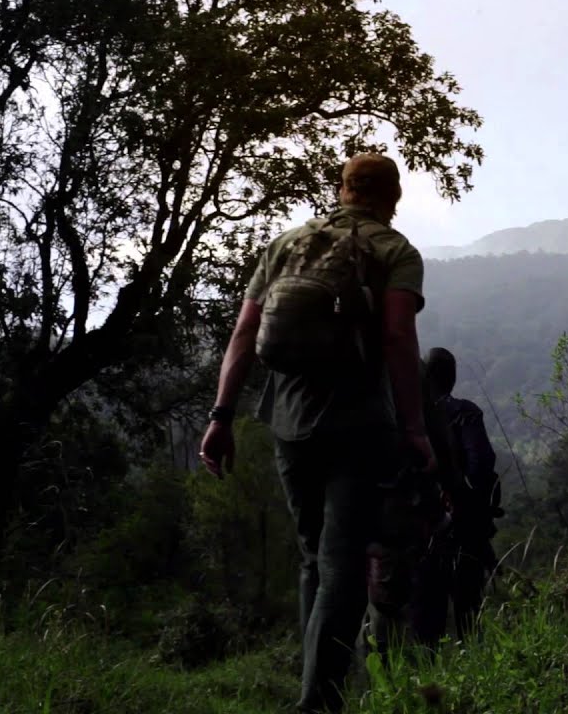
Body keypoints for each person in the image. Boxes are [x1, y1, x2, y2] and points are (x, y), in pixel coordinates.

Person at [198, 152, 436, 714]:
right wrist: (416, 428)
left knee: (314, 558)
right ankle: (319, 701)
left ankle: (315, 686)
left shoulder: (288, 243)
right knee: (343, 563)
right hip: (357, 422)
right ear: (393, 197)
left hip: (288, 420)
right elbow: (398, 339)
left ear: (342, 189)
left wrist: (220, 417)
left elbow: (244, 333)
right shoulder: (394, 251)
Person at [416, 346, 503, 642]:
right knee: (468, 609)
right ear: (452, 379)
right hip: (466, 527)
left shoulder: (412, 419)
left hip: (423, 527)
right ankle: (473, 668)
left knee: (428, 615)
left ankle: (426, 676)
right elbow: (482, 464)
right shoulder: (465, 413)